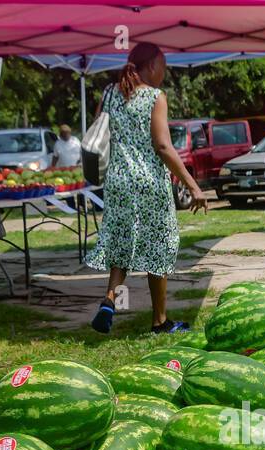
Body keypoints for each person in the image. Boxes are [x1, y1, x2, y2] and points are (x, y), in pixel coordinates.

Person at [84, 43, 206, 334]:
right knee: (159, 246)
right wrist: (193, 186)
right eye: (163, 65)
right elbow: (163, 145)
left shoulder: (110, 93)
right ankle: (160, 320)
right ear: (151, 66)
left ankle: (109, 300)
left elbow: (99, 131)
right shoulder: (155, 97)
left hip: (117, 182)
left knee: (122, 243)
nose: (164, 72)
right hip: (149, 182)